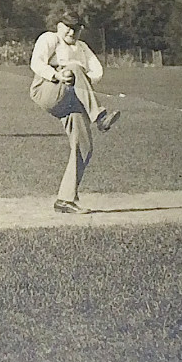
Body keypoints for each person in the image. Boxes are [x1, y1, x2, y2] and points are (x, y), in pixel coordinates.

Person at [30, 14, 121, 213]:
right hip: (47, 89)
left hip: (72, 96)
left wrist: (82, 79)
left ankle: (65, 199)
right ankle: (99, 116)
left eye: (76, 28)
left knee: (84, 146)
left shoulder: (82, 47)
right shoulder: (49, 38)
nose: (72, 32)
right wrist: (58, 74)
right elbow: (36, 63)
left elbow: (97, 71)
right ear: (58, 26)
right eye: (68, 27)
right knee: (73, 68)